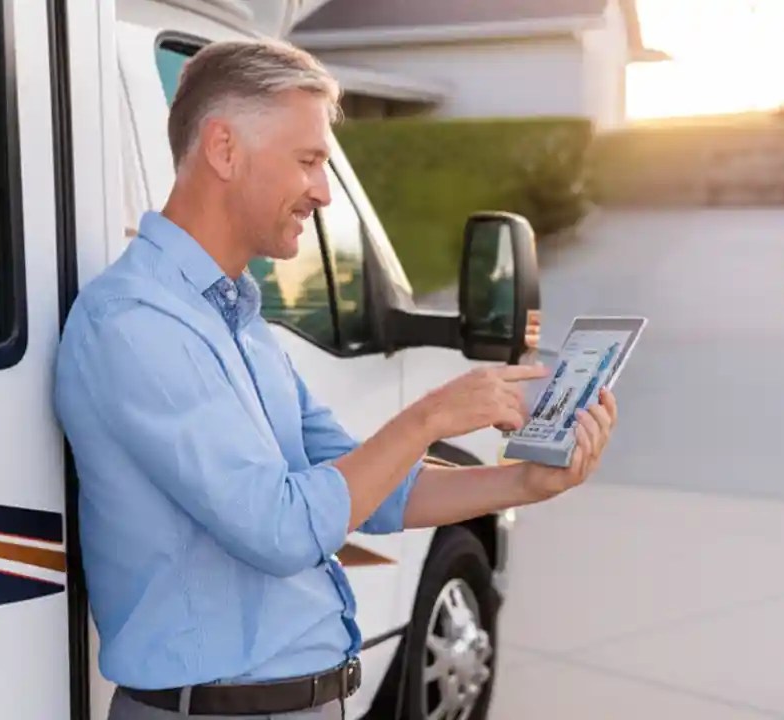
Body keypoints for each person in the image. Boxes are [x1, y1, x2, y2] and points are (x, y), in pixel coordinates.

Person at [53, 39, 617, 720]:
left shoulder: (235, 321)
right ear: (225, 150)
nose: (322, 191)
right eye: (309, 161)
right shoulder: (135, 325)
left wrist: (524, 483)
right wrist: (430, 416)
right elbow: (282, 529)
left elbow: (368, 489)